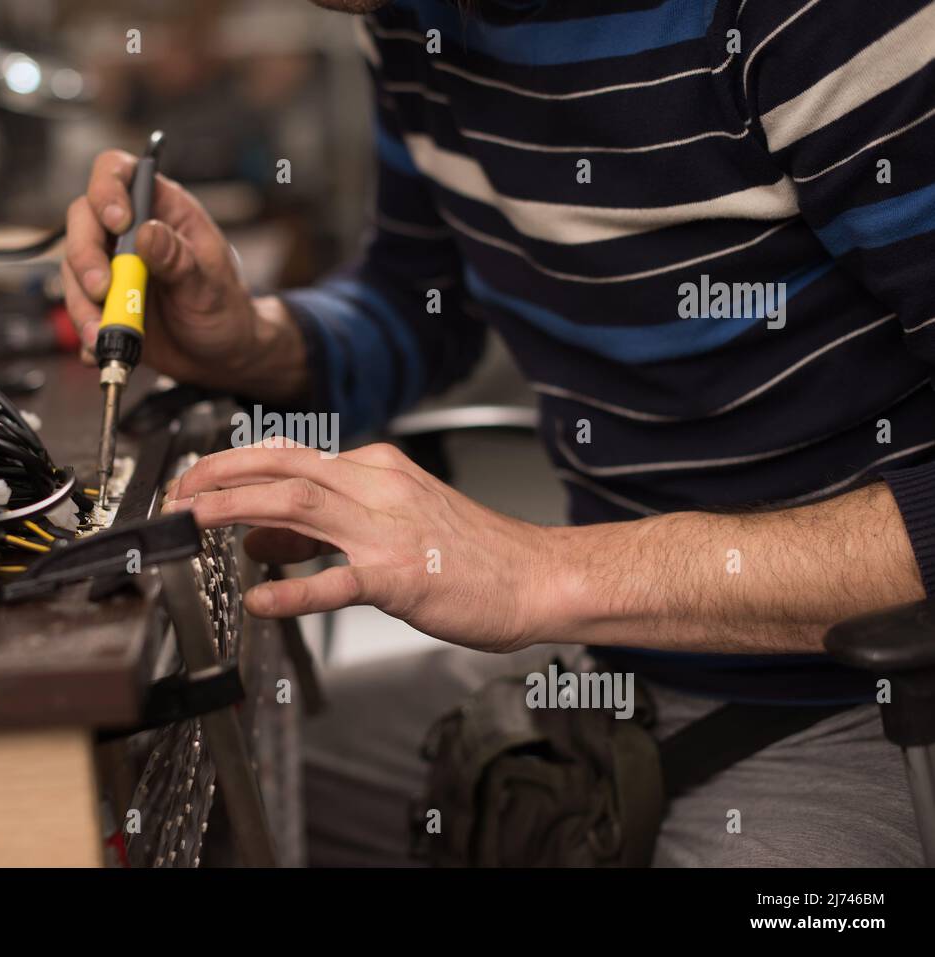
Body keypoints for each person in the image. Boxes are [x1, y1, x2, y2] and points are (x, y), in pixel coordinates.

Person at [62, 0, 935, 865]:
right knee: (173, 805)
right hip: (620, 656)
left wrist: (547, 572)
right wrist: (249, 340)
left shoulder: (829, 22)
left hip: (872, 700)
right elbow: (422, 299)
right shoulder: (405, 18)